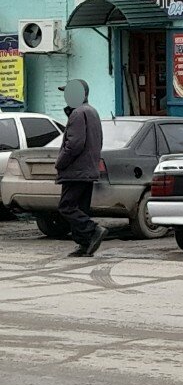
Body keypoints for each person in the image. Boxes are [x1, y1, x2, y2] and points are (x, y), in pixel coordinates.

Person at [55, 79, 107, 257]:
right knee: (80, 208)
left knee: (66, 207)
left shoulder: (78, 113)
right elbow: (98, 141)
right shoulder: (92, 112)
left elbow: (74, 145)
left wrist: (60, 162)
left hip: (76, 170)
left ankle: (93, 230)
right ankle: (85, 245)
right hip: (88, 168)